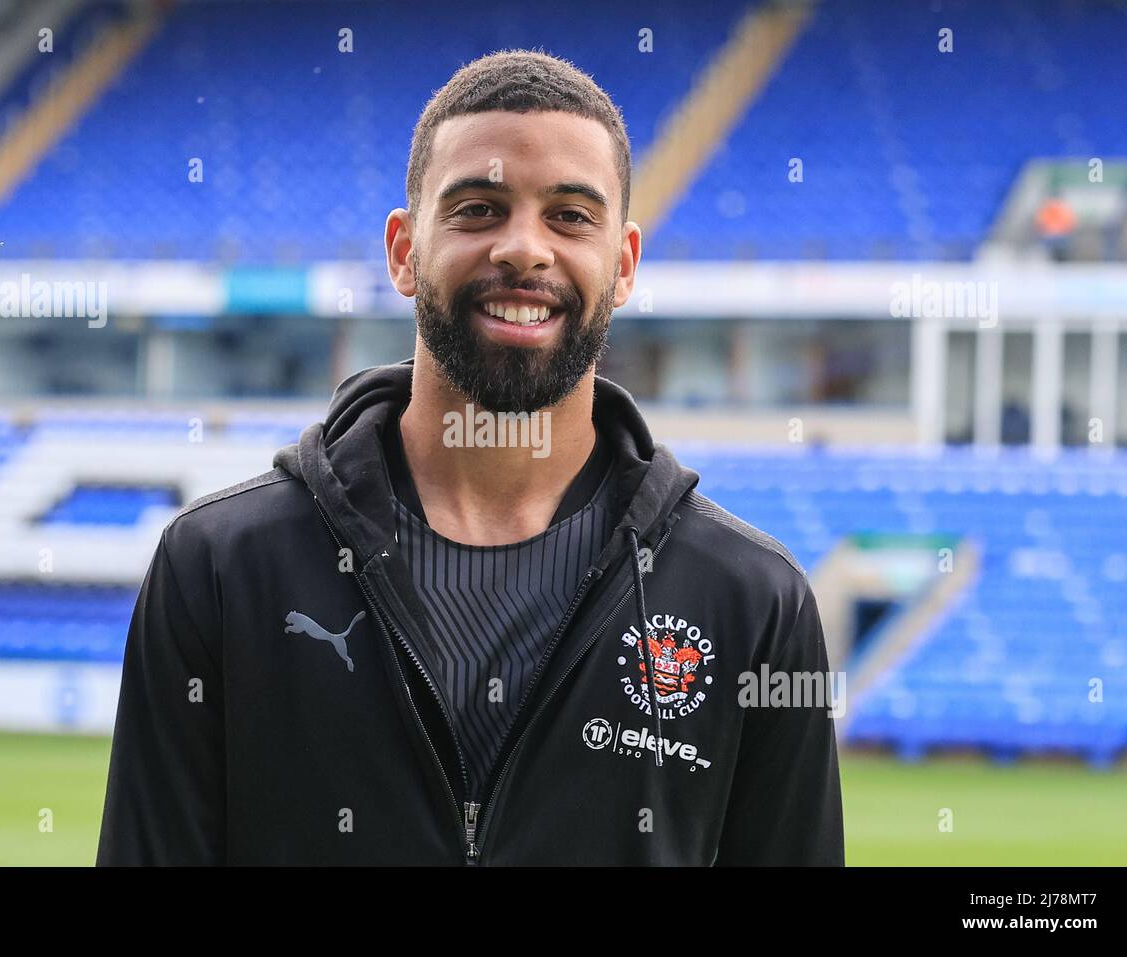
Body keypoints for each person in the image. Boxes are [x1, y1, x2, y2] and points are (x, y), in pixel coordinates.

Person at [97, 49, 843, 866]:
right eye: (479, 209)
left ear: (624, 264)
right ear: (403, 251)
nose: (524, 249)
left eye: (570, 216)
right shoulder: (220, 567)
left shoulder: (752, 601)